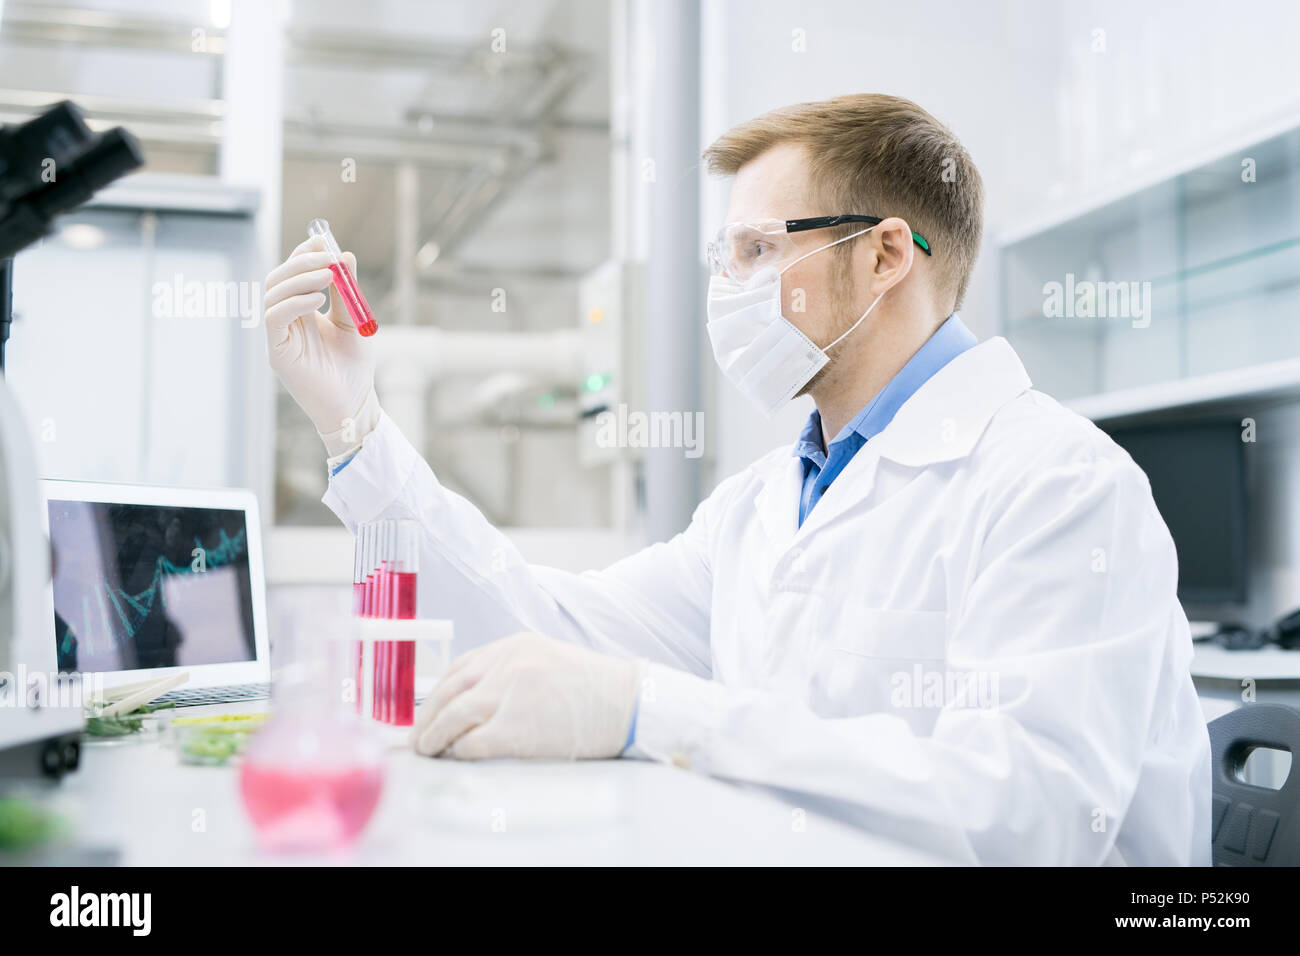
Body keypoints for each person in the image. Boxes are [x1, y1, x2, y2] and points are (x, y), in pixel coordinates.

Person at [263, 93, 1210, 865]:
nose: (729, 286)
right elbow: (545, 633)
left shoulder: (1063, 486)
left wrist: (650, 708)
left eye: (758, 250)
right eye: (727, 257)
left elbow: (1024, 820)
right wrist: (354, 426)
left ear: (884, 255)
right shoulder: (766, 501)